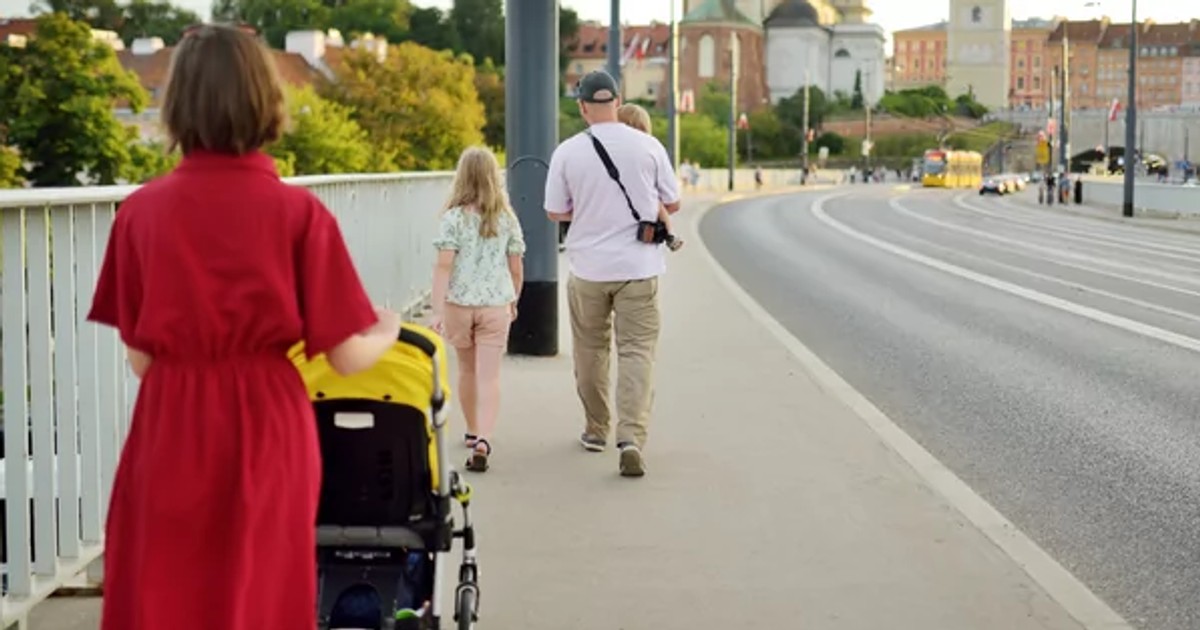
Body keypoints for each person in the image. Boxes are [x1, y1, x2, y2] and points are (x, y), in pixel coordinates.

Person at [86, 24, 400, 630]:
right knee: (258, 589)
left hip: (170, 423)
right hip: (267, 424)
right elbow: (344, 357)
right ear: (266, 99)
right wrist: (386, 328)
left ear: (177, 104)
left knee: (167, 585)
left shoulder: (141, 213)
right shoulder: (298, 214)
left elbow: (141, 358)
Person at [545, 70, 681, 478]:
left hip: (587, 268)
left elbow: (555, 211)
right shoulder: (649, 146)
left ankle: (595, 429)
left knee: (590, 349)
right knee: (637, 351)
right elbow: (671, 204)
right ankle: (631, 438)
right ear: (618, 102)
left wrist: (585, 212)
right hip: (639, 267)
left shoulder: (567, 151)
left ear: (583, 106)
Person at [430, 146, 526, 473]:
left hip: (459, 303)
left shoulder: (452, 218)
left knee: (467, 370)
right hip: (495, 304)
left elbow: (444, 266)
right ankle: (485, 437)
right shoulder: (507, 218)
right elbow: (516, 268)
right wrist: (512, 298)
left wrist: (436, 310)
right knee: (490, 375)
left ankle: (470, 430)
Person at [615, 103, 683, 251]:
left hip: (596, 256)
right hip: (642, 252)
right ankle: (670, 234)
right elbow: (674, 203)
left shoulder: (596, 149)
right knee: (656, 203)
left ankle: (671, 234)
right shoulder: (651, 147)